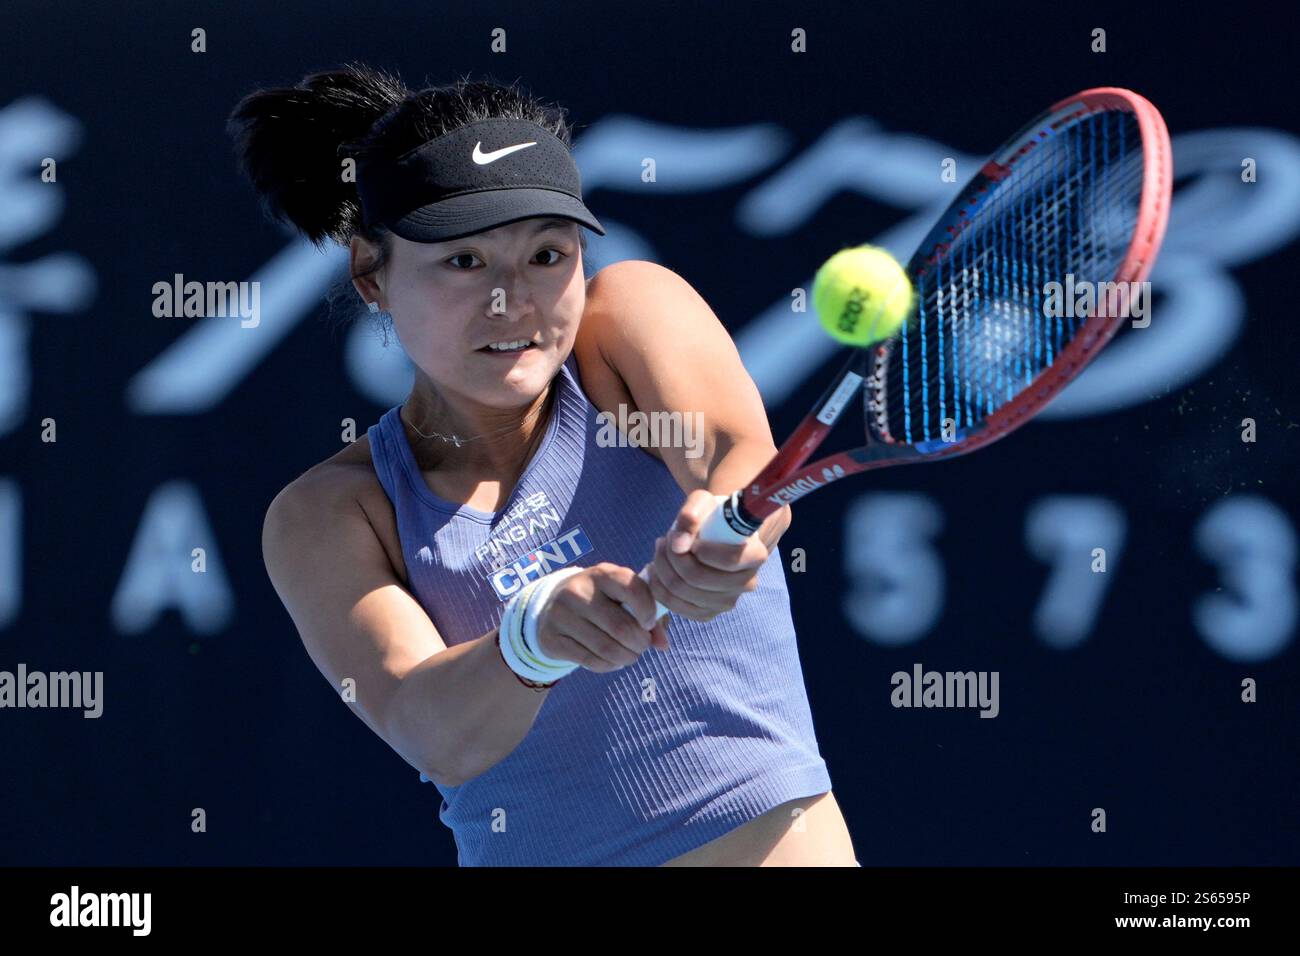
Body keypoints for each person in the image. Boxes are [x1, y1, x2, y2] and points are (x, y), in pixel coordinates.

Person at [231, 63, 857, 866]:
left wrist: (728, 527)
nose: (513, 302)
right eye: (464, 261)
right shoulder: (329, 513)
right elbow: (432, 733)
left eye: (547, 254)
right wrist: (531, 636)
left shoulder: (628, 318)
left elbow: (735, 459)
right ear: (370, 274)